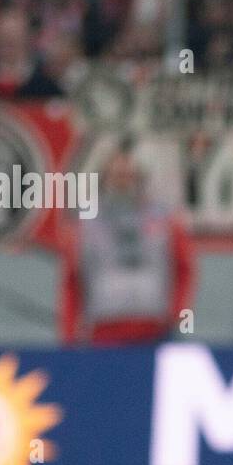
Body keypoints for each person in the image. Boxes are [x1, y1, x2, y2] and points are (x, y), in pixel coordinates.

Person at [61, 144, 194, 345]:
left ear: (140, 179)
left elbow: (185, 269)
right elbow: (72, 281)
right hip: (102, 332)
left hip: (154, 331)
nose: (123, 182)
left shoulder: (165, 221)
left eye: (129, 175)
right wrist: (69, 335)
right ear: (104, 179)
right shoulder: (85, 226)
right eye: (117, 176)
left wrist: (178, 315)